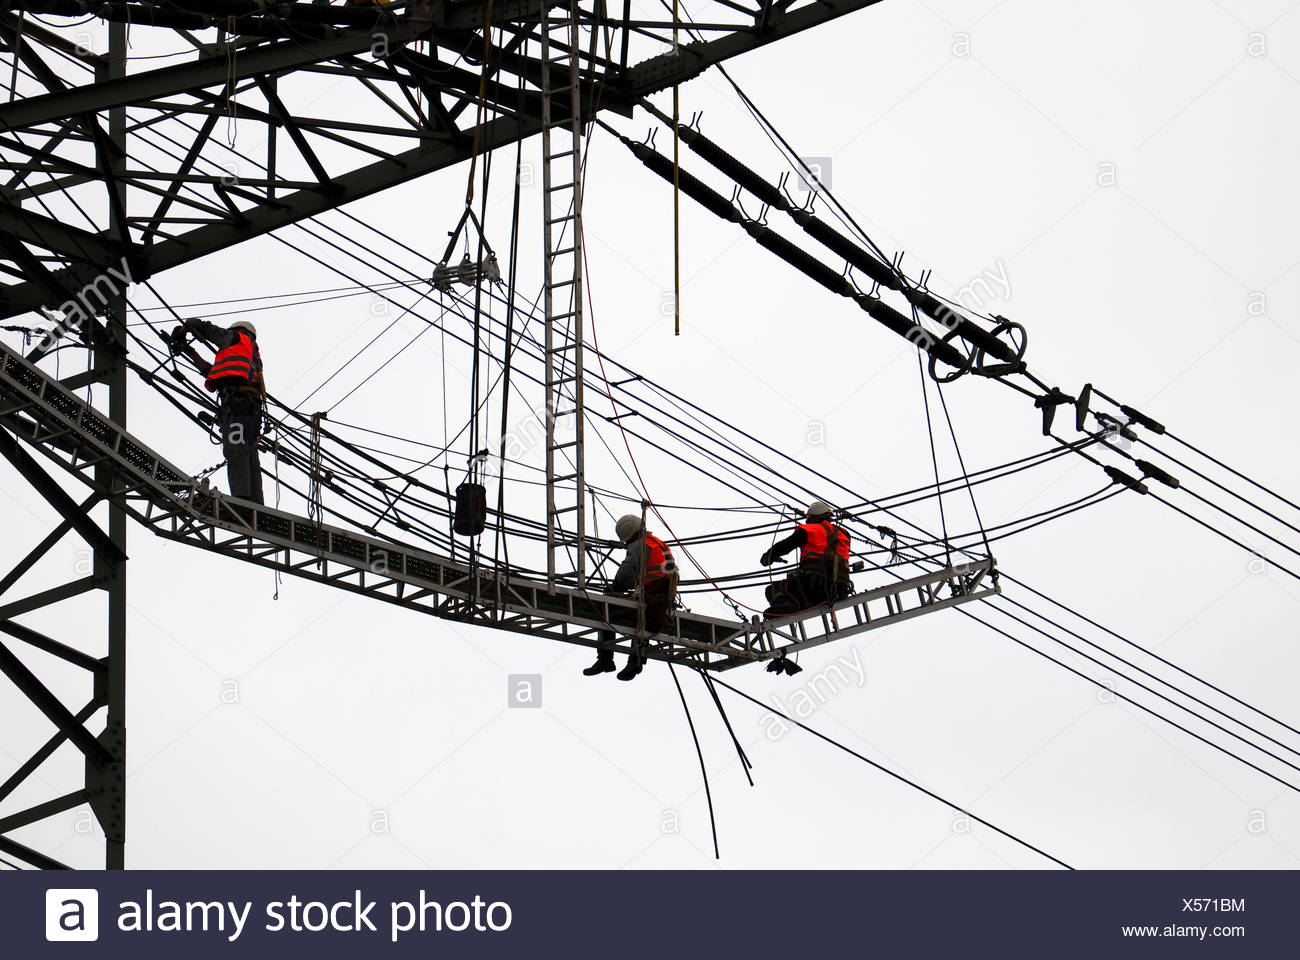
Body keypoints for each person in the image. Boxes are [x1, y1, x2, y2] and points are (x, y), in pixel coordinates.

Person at [171, 317, 267, 505]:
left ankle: (242, 500)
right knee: (250, 455)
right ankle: (257, 503)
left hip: (237, 408)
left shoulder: (236, 338)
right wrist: (189, 351)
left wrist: (184, 329)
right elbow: (213, 372)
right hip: (252, 414)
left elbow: (205, 328)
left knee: (236, 449)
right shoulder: (252, 357)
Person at [582, 514, 677, 681]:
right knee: (642, 623)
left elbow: (628, 569)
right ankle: (635, 661)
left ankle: (605, 659)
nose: (626, 543)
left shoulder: (638, 546)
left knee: (607, 609)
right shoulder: (657, 543)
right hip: (662, 598)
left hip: (651, 596)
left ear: (630, 534)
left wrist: (616, 587)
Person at [759, 500, 852, 617]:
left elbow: (785, 545)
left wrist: (768, 556)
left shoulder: (809, 530)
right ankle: (795, 604)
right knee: (797, 578)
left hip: (813, 586)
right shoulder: (845, 534)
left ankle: (787, 606)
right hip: (840, 589)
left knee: (773, 589)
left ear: (814, 518)